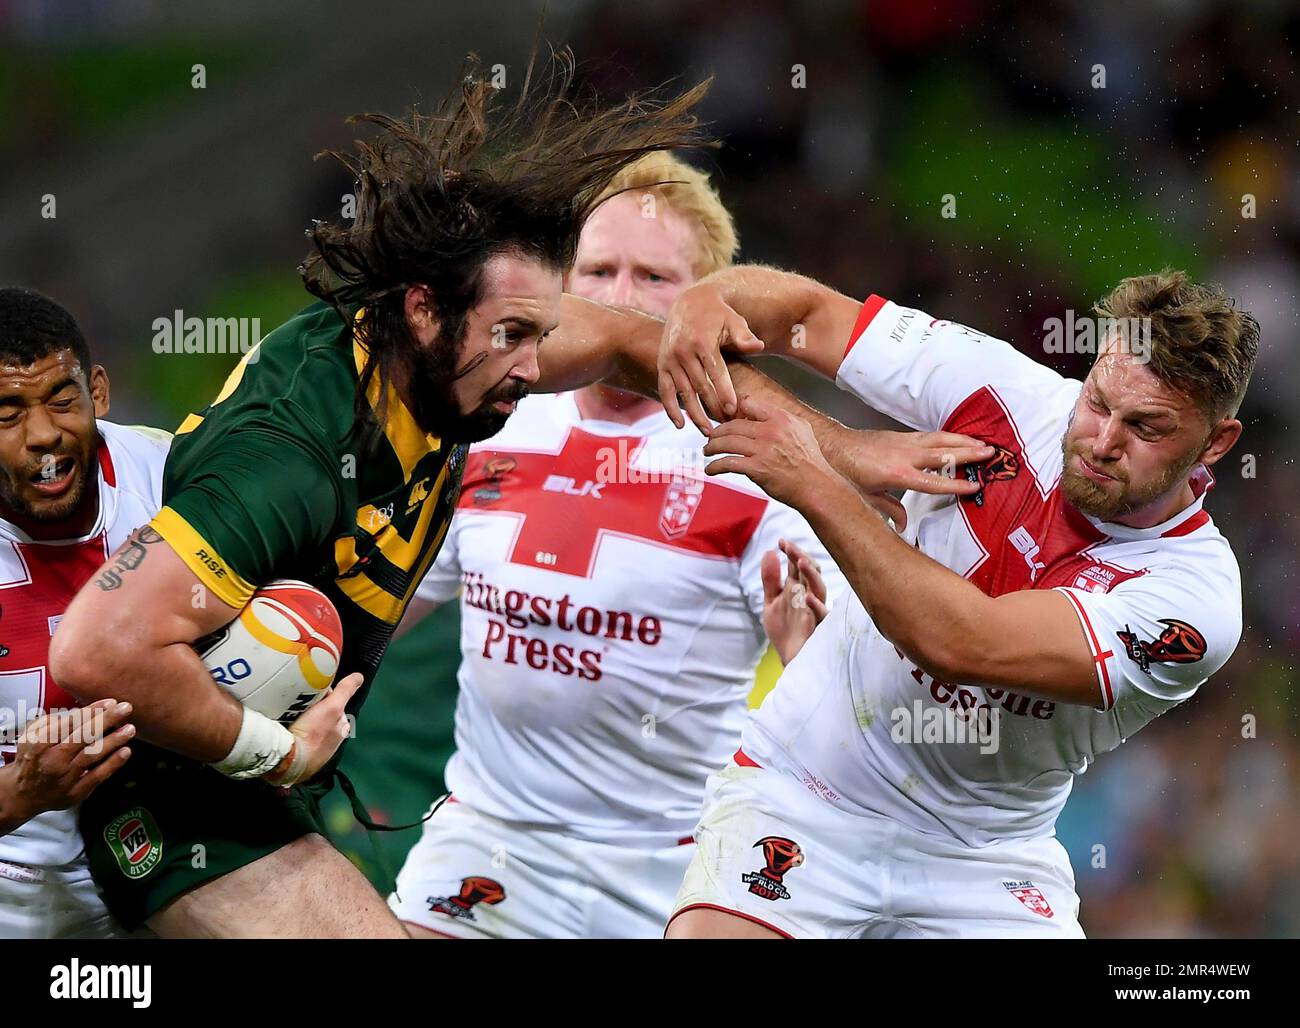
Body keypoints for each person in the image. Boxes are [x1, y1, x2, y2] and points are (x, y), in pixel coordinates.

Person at [47, 53, 713, 938]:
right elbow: (96, 649)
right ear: (427, 309)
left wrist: (844, 445)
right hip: (175, 805)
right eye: (514, 336)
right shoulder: (289, 459)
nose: (534, 367)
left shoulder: (443, 361)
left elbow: (637, 341)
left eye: (539, 336)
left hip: (246, 794)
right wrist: (275, 752)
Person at [654, 265, 1255, 938]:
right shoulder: (1005, 391)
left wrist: (816, 477)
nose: (1103, 442)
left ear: (1217, 442)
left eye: (1146, 428)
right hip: (808, 791)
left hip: (986, 860)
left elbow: (961, 643)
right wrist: (710, 298)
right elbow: (810, 314)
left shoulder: (1194, 603)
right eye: (1097, 402)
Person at [388, 153, 856, 938]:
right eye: (598, 270)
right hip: (488, 838)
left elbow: (846, 707)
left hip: (668, 864)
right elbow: (381, 604)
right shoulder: (486, 423)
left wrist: (810, 660)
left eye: (655, 279)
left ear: (710, 308)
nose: (619, 301)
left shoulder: (756, 464)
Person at [0, 287, 157, 937]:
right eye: (6, 413)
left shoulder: (170, 474)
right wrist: (20, 794)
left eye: (62, 399)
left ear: (98, 390)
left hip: (178, 862)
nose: (44, 435)